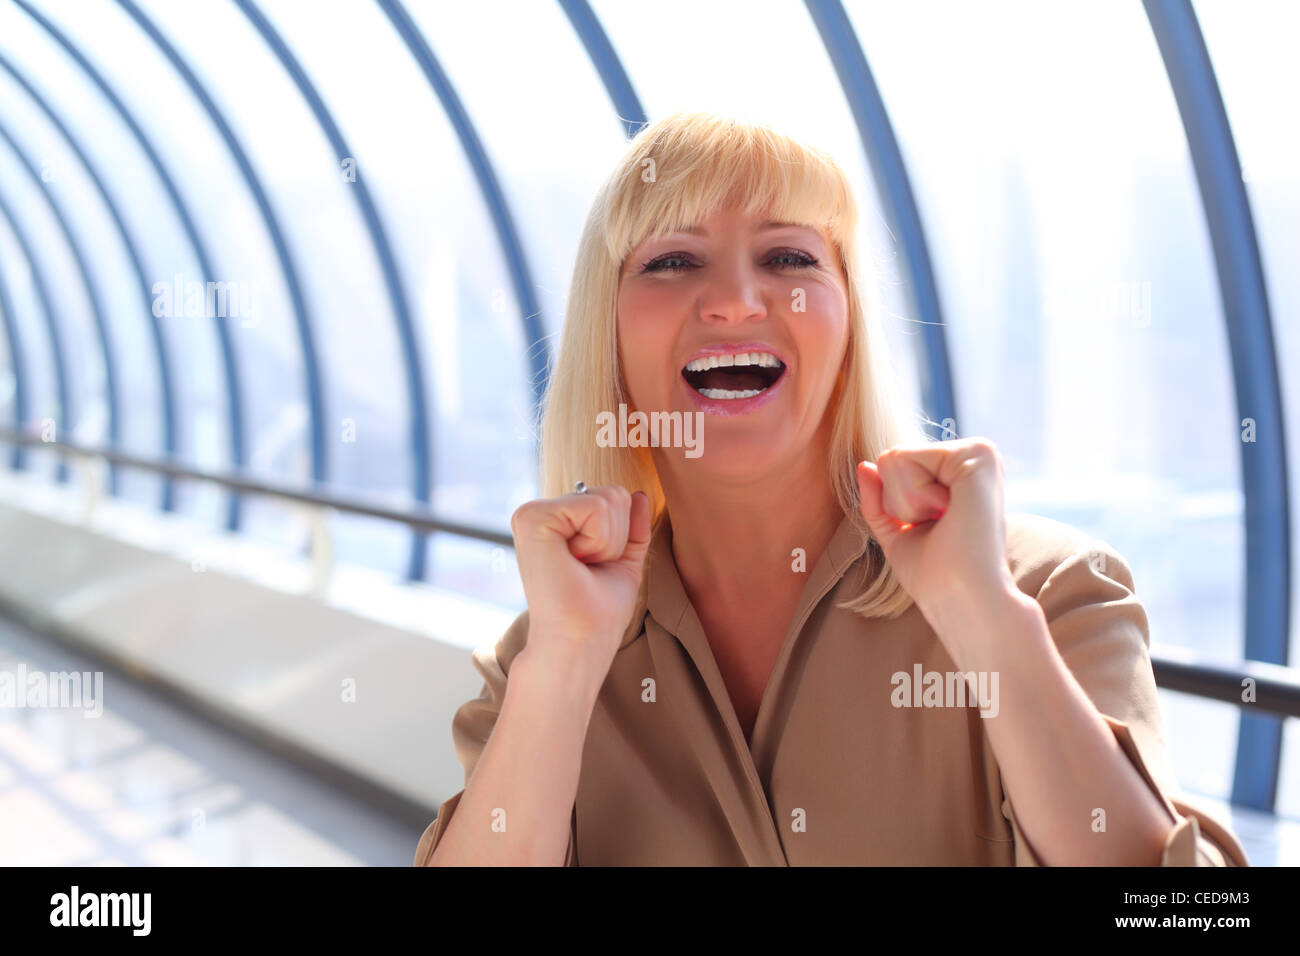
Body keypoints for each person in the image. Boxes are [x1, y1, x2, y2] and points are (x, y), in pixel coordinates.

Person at [414, 110, 1249, 866]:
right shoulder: (543, 652)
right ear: (609, 338)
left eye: (789, 257)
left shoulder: (1047, 589)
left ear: (848, 325)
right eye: (672, 260)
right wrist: (561, 671)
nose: (736, 302)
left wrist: (987, 622)